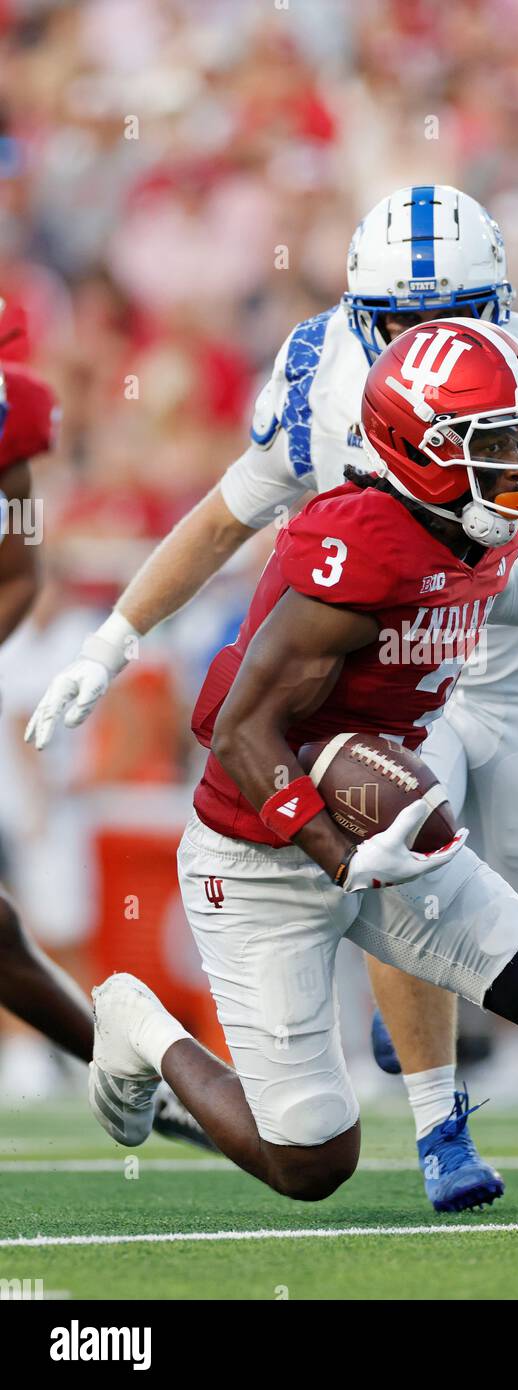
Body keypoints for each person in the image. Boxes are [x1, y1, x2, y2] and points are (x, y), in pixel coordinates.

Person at [26, 186, 518, 1212]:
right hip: (275, 829)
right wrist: (117, 643)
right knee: (311, 1157)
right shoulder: (362, 536)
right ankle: (177, 1035)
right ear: (422, 450)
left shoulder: (475, 505)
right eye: (497, 448)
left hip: (454, 720)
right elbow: (231, 725)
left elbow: (515, 582)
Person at [0, 345, 207, 1146]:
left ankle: (121, 1071)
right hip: (33, 798)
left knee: (26, 932)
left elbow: (22, 568)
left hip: (49, 801)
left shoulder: (21, 496)